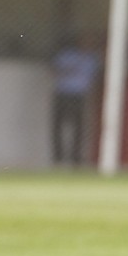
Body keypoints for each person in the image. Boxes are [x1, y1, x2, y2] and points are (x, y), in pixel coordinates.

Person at [52, 32, 102, 165]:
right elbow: (56, 71)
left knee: (79, 127)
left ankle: (76, 158)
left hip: (80, 95)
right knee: (59, 125)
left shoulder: (92, 59)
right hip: (63, 93)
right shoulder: (67, 55)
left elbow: (94, 77)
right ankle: (58, 157)